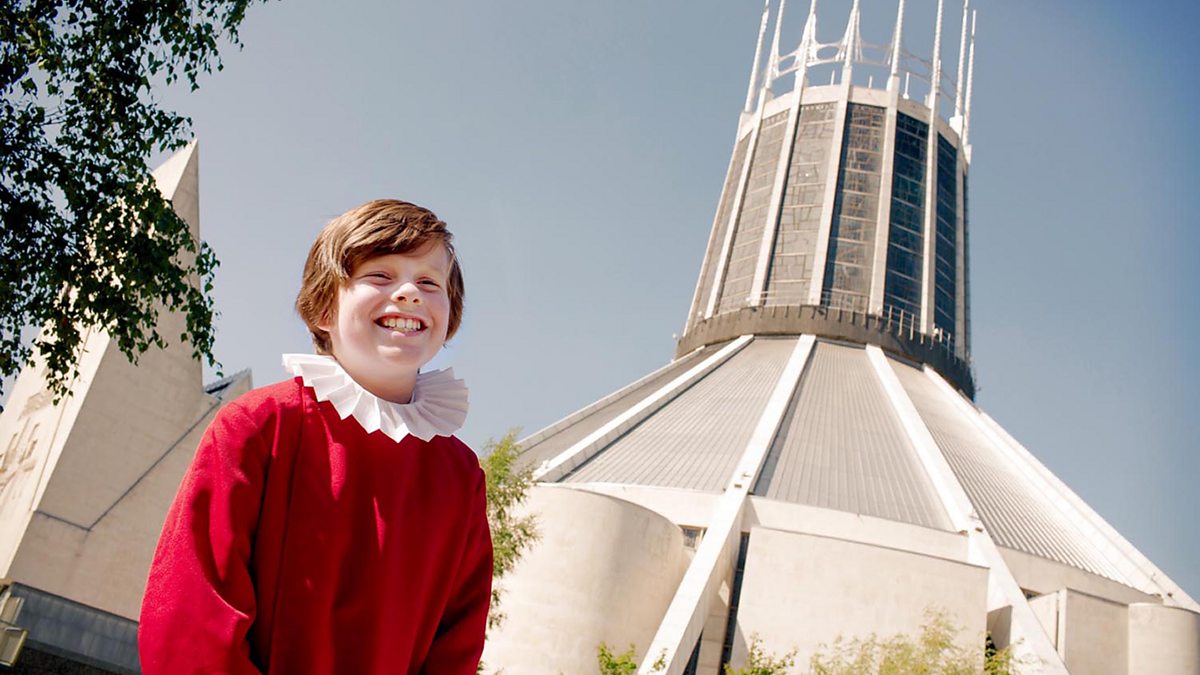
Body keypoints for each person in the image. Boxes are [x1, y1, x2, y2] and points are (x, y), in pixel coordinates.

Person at [139, 199, 492, 674]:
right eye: (380, 275)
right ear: (324, 307)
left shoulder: (460, 476)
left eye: (430, 282)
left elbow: (458, 642)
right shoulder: (258, 426)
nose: (410, 292)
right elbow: (193, 617)